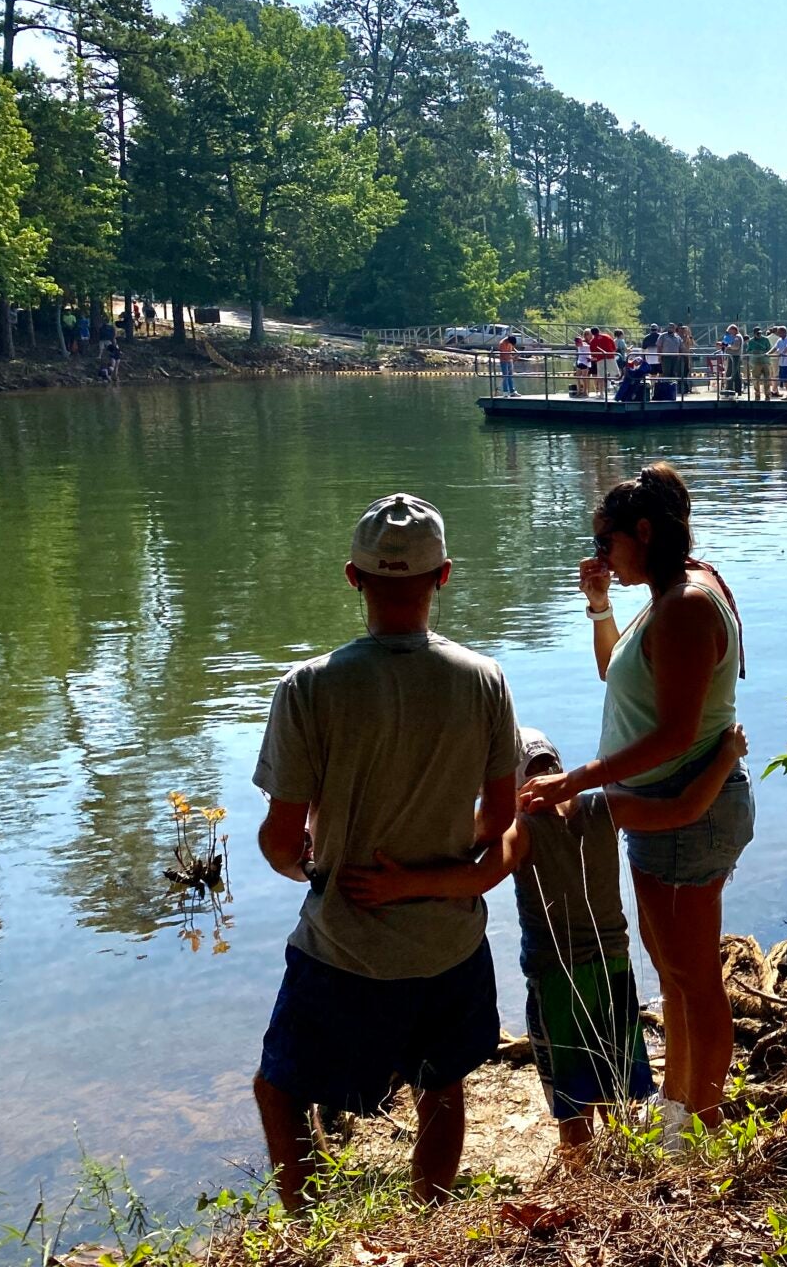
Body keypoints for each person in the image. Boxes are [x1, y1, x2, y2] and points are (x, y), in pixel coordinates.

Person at [251, 495, 520, 1210]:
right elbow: (498, 817)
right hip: (450, 943)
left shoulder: (307, 687)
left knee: (278, 1087)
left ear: (353, 577)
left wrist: (311, 859)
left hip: (347, 947)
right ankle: (429, 1217)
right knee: (442, 1086)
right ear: (444, 577)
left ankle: (307, 1230)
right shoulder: (485, 679)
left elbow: (280, 841)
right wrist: (431, 868)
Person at [342, 724, 747, 1147]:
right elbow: (684, 809)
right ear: (558, 769)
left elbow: (476, 878)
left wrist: (401, 884)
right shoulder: (606, 807)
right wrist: (725, 757)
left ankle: (583, 1183)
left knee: (573, 1111)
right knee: (616, 1096)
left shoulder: (522, 831)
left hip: (557, 980)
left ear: (513, 786)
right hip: (612, 972)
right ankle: (629, 1172)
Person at [524, 464, 752, 1127]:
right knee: (672, 970)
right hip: (661, 809)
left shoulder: (685, 605)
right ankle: (680, 1105)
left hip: (686, 809)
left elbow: (676, 733)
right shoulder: (666, 592)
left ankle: (702, 1122)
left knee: (694, 979)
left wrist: (576, 779)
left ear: (643, 531)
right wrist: (600, 607)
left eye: (606, 544)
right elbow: (613, 669)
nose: (600, 556)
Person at [744, 326, 771, 401]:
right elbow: (748, 351)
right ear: (754, 333)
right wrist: (753, 352)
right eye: (757, 333)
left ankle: (767, 395)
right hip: (755, 362)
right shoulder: (751, 341)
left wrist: (763, 352)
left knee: (767, 379)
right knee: (756, 379)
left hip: (765, 361)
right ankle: (757, 395)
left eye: (760, 333)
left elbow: (769, 349)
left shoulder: (766, 339)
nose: (759, 334)